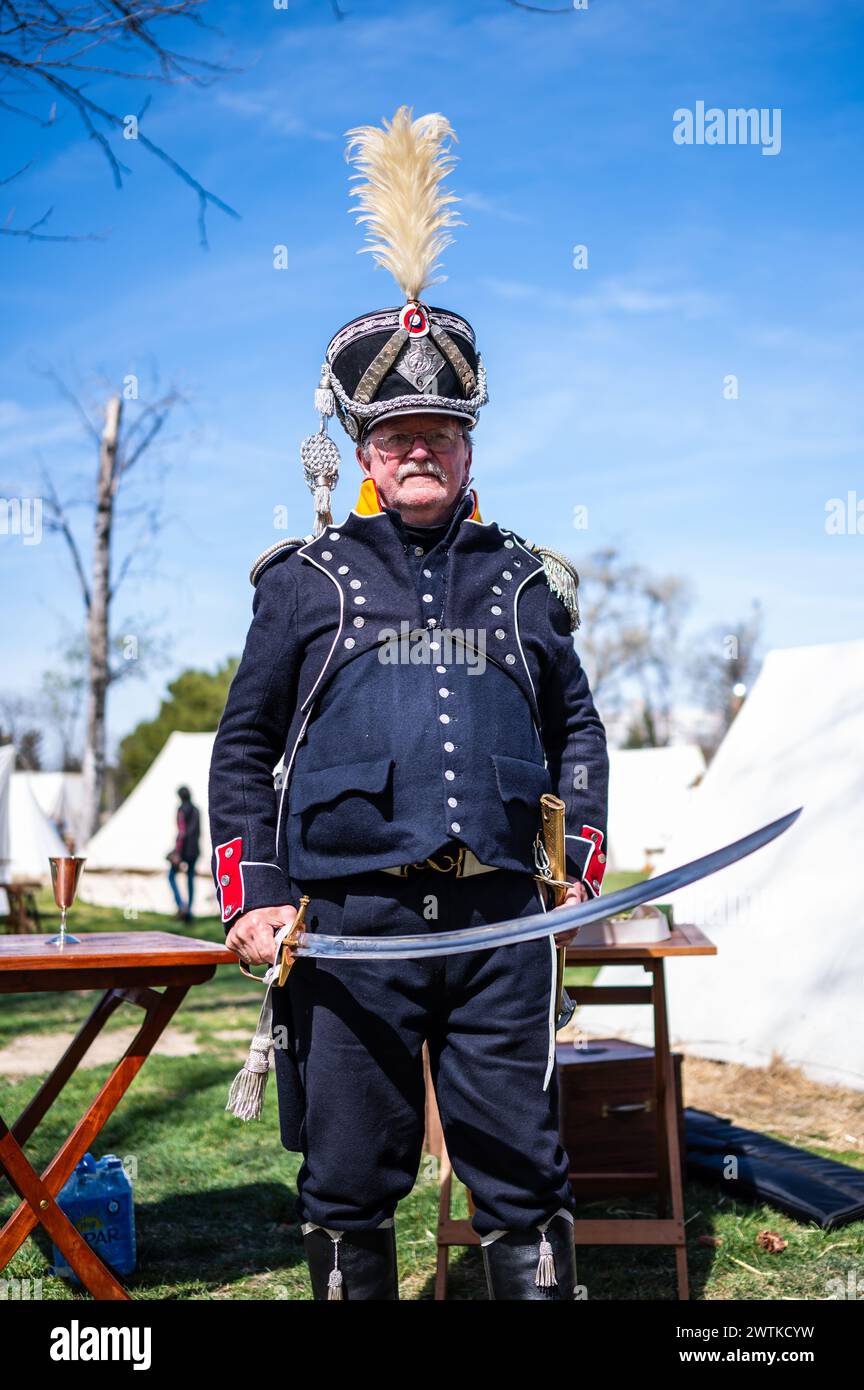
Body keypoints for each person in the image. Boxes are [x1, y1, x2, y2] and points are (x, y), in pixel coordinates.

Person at [209, 107, 609, 1300]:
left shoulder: (526, 579)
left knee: (525, 1179)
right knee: (348, 1179)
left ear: (467, 446)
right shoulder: (306, 583)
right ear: (365, 452)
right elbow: (244, 751)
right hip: (350, 933)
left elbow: (575, 729)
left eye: (439, 430)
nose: (419, 449)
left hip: (501, 928)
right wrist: (258, 896)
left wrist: (574, 856)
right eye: (396, 434)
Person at [168, 785, 200, 923]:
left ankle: (181, 905)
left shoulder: (181, 810)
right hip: (194, 850)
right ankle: (189, 910)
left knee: (171, 876)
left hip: (183, 850)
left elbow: (182, 832)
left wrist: (177, 852)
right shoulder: (197, 810)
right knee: (190, 879)